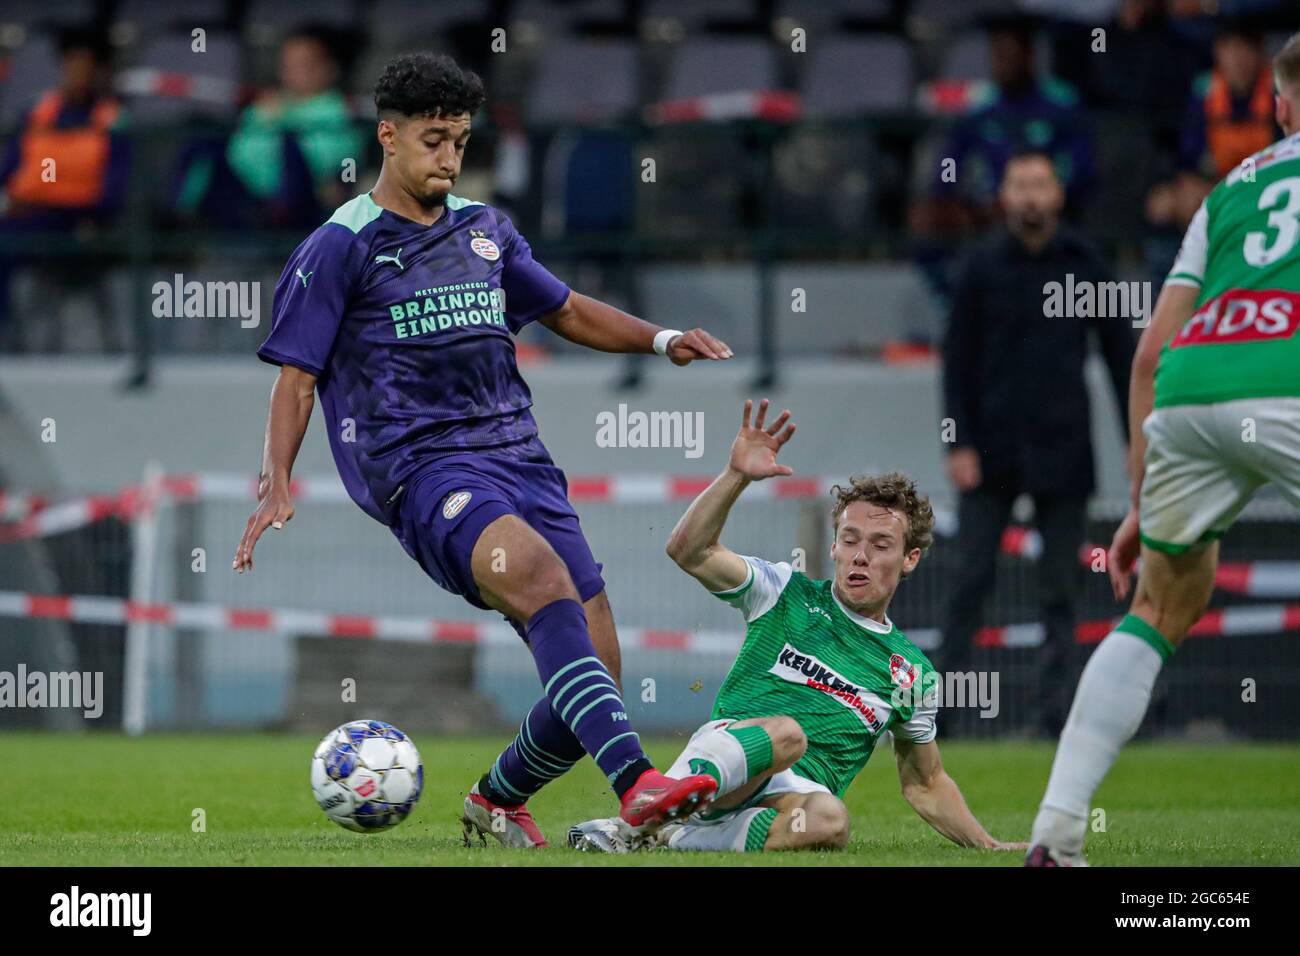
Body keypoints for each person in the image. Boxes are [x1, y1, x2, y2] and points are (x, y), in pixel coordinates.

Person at [234, 53, 733, 845]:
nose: (449, 158)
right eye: (434, 140)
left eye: (461, 142)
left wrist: (660, 337)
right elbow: (296, 377)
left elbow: (565, 309)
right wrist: (277, 482)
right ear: (388, 138)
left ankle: (496, 799)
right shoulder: (340, 246)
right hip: (421, 469)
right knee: (538, 580)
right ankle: (640, 785)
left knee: (594, 675)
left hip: (521, 457)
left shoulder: (485, 230)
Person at [1027, 31, 1300, 867]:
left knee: (1159, 608)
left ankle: (1056, 834)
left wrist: (1143, 504)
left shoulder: (1228, 192)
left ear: (1281, 106)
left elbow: (1148, 353)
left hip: (1190, 391)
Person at [569, 400, 1025, 854]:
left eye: (880, 544)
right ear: (834, 547)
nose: (860, 555)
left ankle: (669, 837)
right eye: (850, 540)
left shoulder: (912, 673)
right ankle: (640, 817)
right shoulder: (784, 592)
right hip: (727, 762)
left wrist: (988, 846)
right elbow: (689, 551)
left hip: (790, 801)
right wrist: (737, 475)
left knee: (832, 821)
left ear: (910, 558)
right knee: (787, 734)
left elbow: (926, 784)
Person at [940, 148, 1134, 737]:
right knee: (969, 580)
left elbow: (1124, 360)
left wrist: (1137, 444)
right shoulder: (977, 268)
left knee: (1062, 592)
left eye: (1039, 184)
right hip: (991, 451)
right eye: (1017, 184)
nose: (1028, 195)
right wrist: (958, 443)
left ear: (1057, 194)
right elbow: (955, 364)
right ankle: (934, 719)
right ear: (1003, 196)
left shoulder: (1089, 263)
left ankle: (1056, 719)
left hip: (1063, 450)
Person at [0, 27, 128, 341]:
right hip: (30, 217)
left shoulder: (114, 120)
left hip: (81, 223)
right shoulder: (36, 114)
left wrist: (91, 217)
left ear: (99, 71)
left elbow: (114, 191)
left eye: (85, 66)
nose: (77, 73)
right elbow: (9, 171)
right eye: (71, 65)